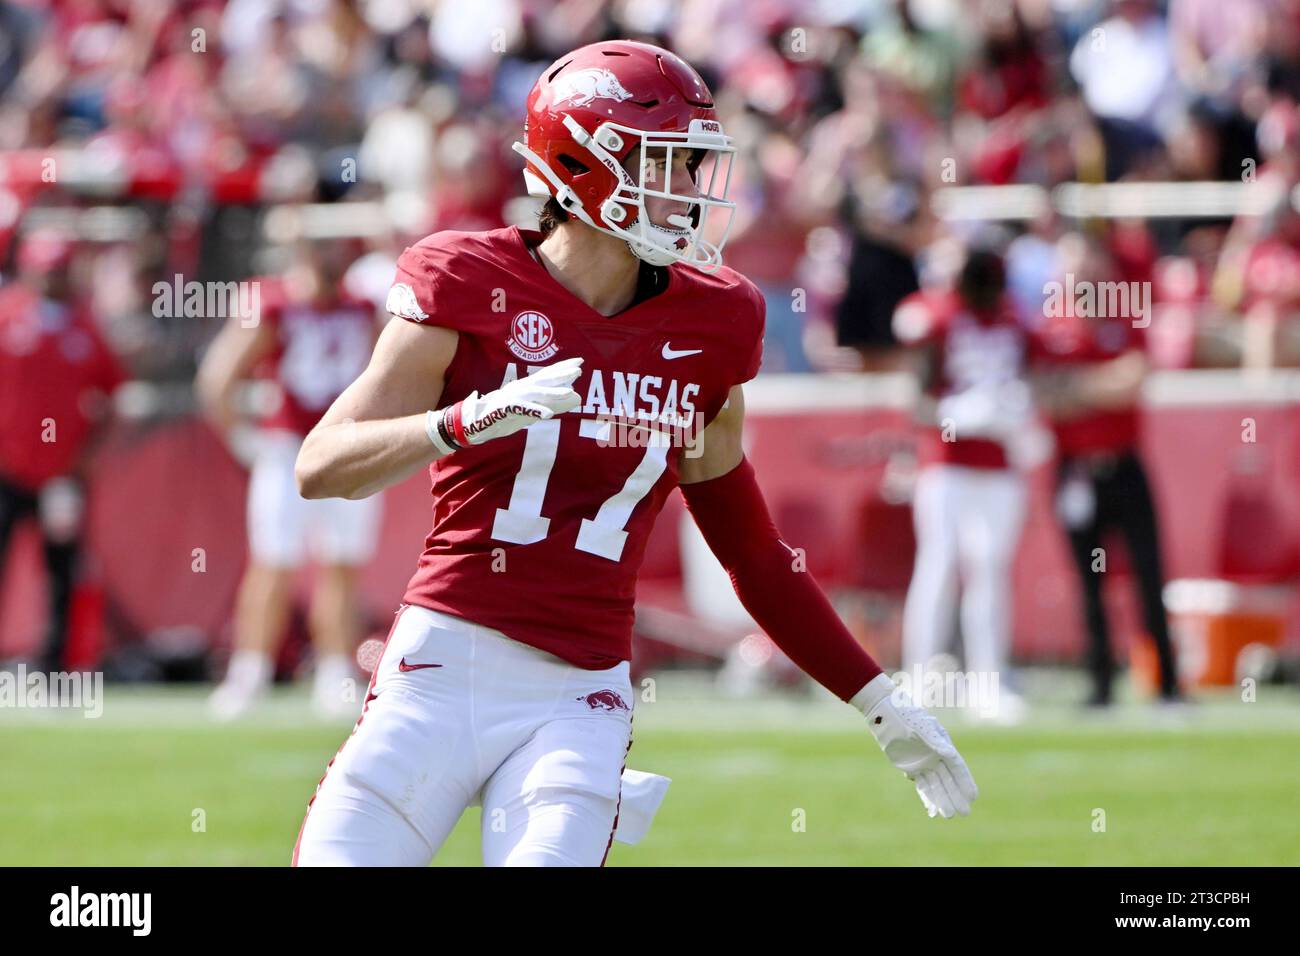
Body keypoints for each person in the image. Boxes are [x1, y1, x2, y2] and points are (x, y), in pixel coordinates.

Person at [289, 40, 977, 867]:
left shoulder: (712, 323)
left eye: (694, 164)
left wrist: (878, 701)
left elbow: (754, 555)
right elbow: (322, 466)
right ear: (584, 165)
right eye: (671, 162)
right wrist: (470, 419)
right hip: (441, 664)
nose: (692, 189)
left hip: (581, 696)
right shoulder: (471, 280)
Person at [198, 241, 381, 720]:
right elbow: (219, 377)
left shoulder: (361, 306)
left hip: (346, 445)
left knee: (342, 563)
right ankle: (249, 671)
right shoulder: (277, 303)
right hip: (289, 449)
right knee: (274, 562)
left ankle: (336, 671)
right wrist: (242, 437)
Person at [1030, 237, 1181, 707]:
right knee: (1088, 582)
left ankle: (1167, 684)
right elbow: (1043, 394)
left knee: (1149, 574)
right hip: (1075, 470)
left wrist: (1076, 389)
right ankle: (1100, 684)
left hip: (1124, 464)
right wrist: (1098, 385)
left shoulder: (1122, 321)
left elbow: (1134, 378)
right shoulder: (1049, 329)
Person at [893, 248, 1034, 723]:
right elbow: (916, 400)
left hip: (999, 464)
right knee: (938, 565)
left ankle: (988, 682)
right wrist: (957, 415)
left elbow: (1040, 381)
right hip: (946, 463)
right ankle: (920, 676)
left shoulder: (1016, 323)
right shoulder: (937, 318)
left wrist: (1022, 411)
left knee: (989, 569)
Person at [0, 230, 125, 673]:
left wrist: (87, 459)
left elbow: (113, 396)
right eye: (46, 270)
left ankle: (53, 671)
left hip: (61, 475)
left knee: (60, 575)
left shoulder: (85, 326)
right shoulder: (8, 314)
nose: (52, 279)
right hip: (7, 470)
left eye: (58, 270)